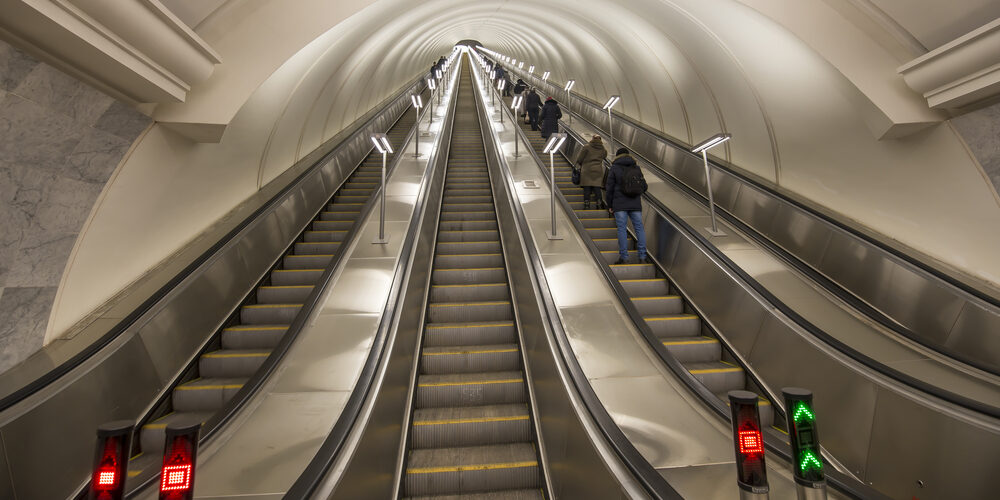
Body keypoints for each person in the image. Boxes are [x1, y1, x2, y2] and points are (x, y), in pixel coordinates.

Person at [604, 147, 647, 264]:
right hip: (635, 204)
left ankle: (624, 257)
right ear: (628, 155)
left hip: (619, 204)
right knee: (639, 229)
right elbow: (644, 186)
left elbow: (609, 188)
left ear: (617, 156)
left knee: (622, 229)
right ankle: (642, 257)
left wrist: (610, 205)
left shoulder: (614, 168)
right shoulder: (636, 167)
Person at [574, 135, 609, 209]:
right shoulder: (603, 149)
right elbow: (604, 156)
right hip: (598, 170)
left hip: (587, 170)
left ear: (592, 139)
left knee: (587, 187)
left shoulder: (587, 147)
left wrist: (581, 163)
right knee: (597, 188)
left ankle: (587, 205)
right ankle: (599, 205)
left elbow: (580, 158)